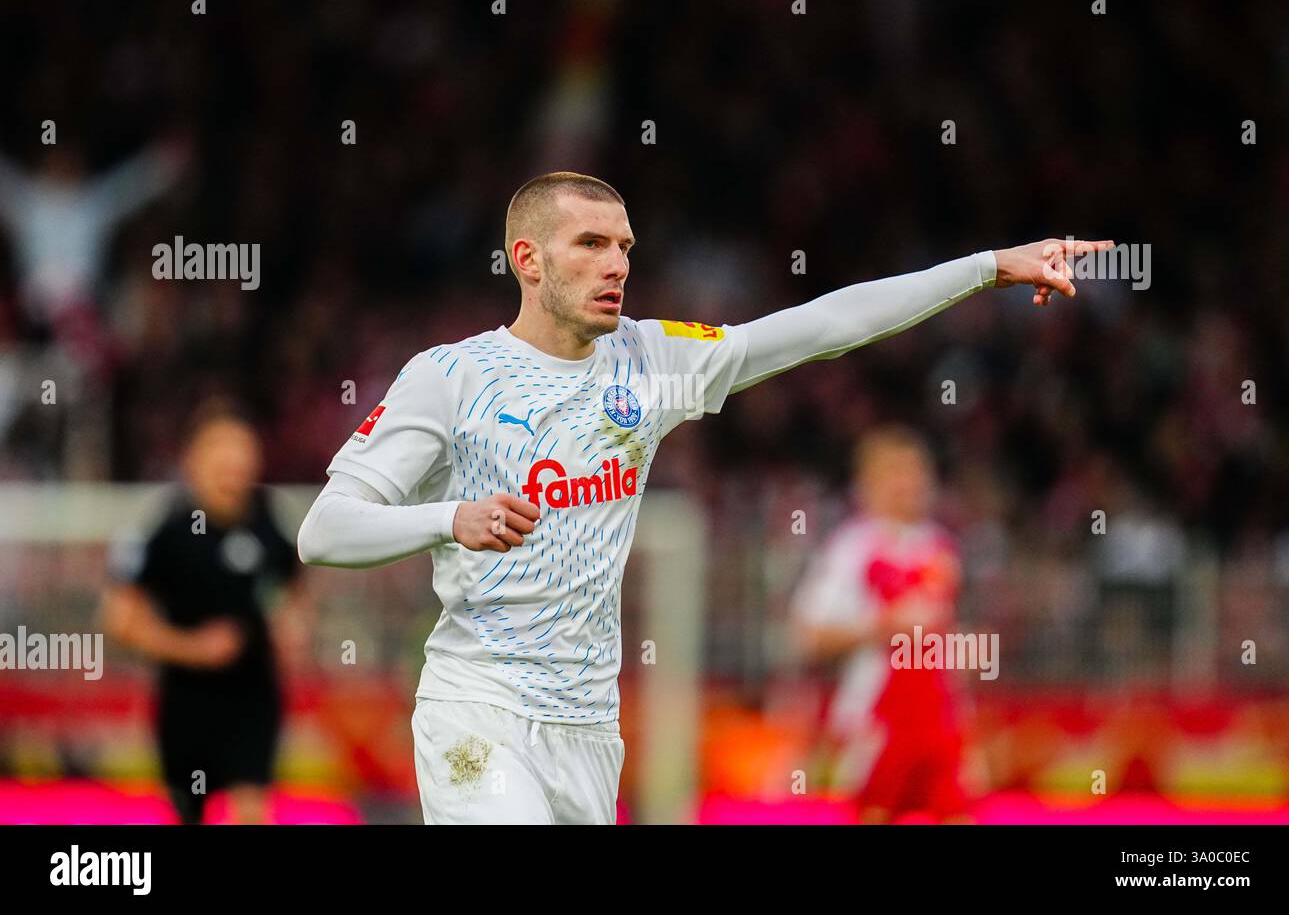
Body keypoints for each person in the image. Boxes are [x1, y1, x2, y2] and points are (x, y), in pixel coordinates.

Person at [296, 170, 1110, 824]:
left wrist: (989, 267)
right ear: (527, 258)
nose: (616, 264)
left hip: (589, 727)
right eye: (590, 244)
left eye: (624, 246)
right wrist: (453, 519)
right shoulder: (451, 376)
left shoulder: (651, 363)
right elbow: (324, 529)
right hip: (478, 707)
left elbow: (822, 326)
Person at [103, 403, 308, 824]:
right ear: (193, 462)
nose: (233, 468)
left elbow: (293, 585)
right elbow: (120, 619)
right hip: (186, 701)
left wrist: (290, 625)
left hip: (253, 696)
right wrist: (191, 648)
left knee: (251, 808)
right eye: (221, 455)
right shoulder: (167, 529)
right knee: (187, 809)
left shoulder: (270, 519)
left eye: (242, 455)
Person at [791, 426, 970, 823]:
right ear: (868, 483)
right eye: (895, 472)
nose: (909, 483)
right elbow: (807, 635)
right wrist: (883, 626)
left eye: (916, 471)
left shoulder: (940, 547)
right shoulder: (852, 548)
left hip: (938, 721)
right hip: (877, 718)